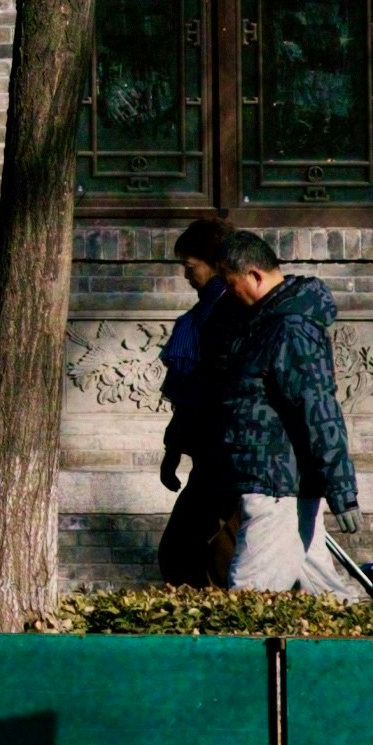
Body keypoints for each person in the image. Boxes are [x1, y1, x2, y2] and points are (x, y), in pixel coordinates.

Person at [217, 232, 372, 598]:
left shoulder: (290, 329)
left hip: (276, 486)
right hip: (280, 483)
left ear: (254, 276)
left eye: (230, 283)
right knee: (329, 598)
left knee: (248, 601)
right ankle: (371, 649)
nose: (228, 293)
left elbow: (318, 410)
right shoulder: (267, 325)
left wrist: (342, 491)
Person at [156, 216, 243, 586]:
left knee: (213, 554)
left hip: (229, 456)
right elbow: (191, 393)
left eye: (191, 266)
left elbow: (208, 387)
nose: (187, 275)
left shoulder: (228, 311)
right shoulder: (204, 313)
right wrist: (174, 448)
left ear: (214, 262)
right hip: (209, 456)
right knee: (181, 553)